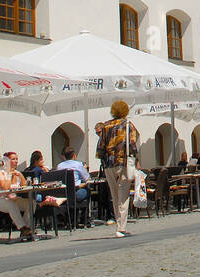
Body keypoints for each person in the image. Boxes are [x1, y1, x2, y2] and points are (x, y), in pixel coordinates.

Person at [96, 100, 141, 237]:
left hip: (109, 165)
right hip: (124, 163)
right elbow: (133, 146)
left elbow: (99, 150)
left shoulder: (105, 126)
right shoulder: (127, 125)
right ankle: (121, 227)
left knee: (114, 196)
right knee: (123, 195)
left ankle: (118, 224)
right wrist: (136, 160)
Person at [0, 152, 33, 241]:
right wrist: (10, 175)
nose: (16, 161)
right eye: (13, 159)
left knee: (31, 203)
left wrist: (21, 176)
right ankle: (22, 227)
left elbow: (25, 186)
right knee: (11, 204)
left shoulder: (17, 172)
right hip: (0, 200)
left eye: (16, 159)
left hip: (13, 198)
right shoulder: (1, 172)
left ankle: (26, 228)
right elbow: (5, 188)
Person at [56, 145, 92, 217]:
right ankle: (84, 217)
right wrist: (84, 169)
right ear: (74, 155)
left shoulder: (59, 166)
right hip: (76, 193)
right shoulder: (78, 165)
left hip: (63, 193)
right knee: (88, 190)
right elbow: (87, 179)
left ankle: (69, 217)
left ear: (64, 156)